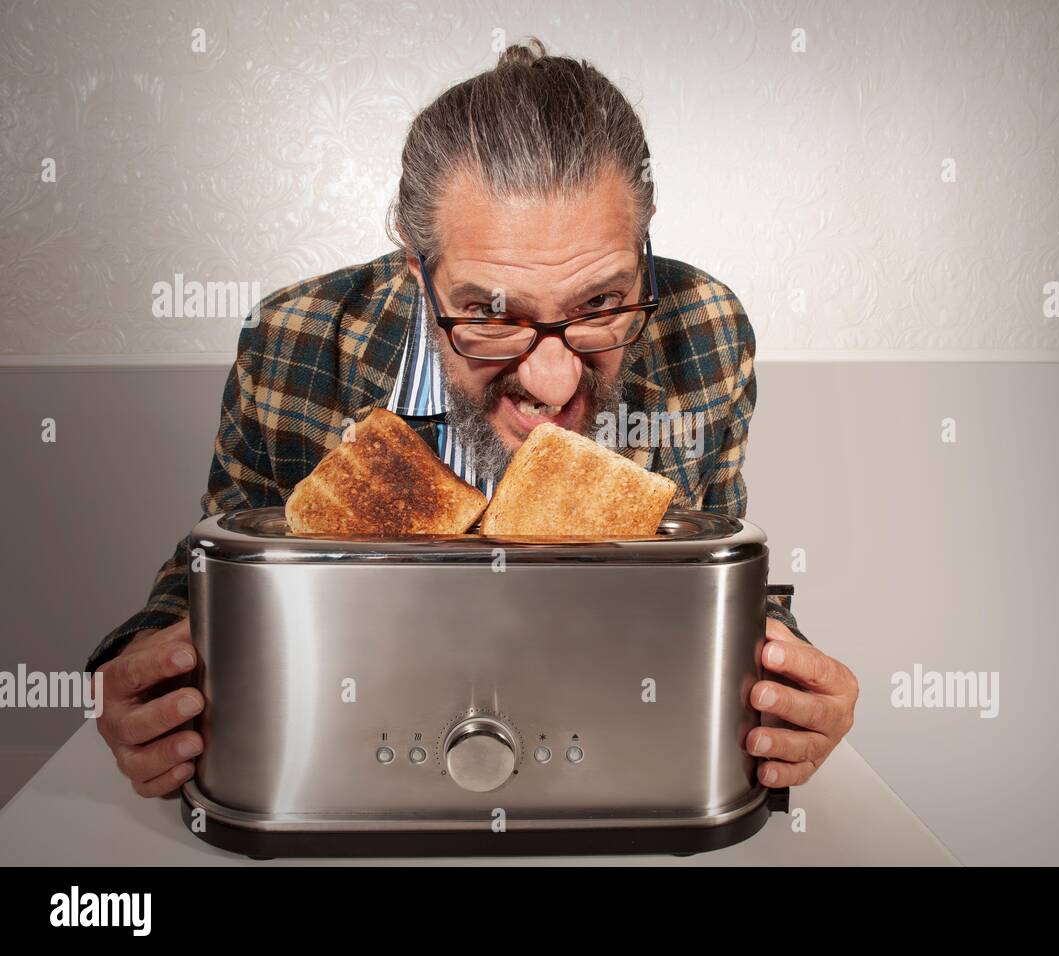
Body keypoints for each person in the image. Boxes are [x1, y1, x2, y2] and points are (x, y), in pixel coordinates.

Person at [88, 38, 859, 800]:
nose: (554, 383)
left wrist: (784, 670)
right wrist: (147, 666)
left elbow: (716, 571)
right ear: (417, 271)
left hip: (605, 778)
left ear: (642, 245)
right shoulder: (292, 340)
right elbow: (208, 575)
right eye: (491, 314)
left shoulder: (708, 334)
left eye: (600, 303)